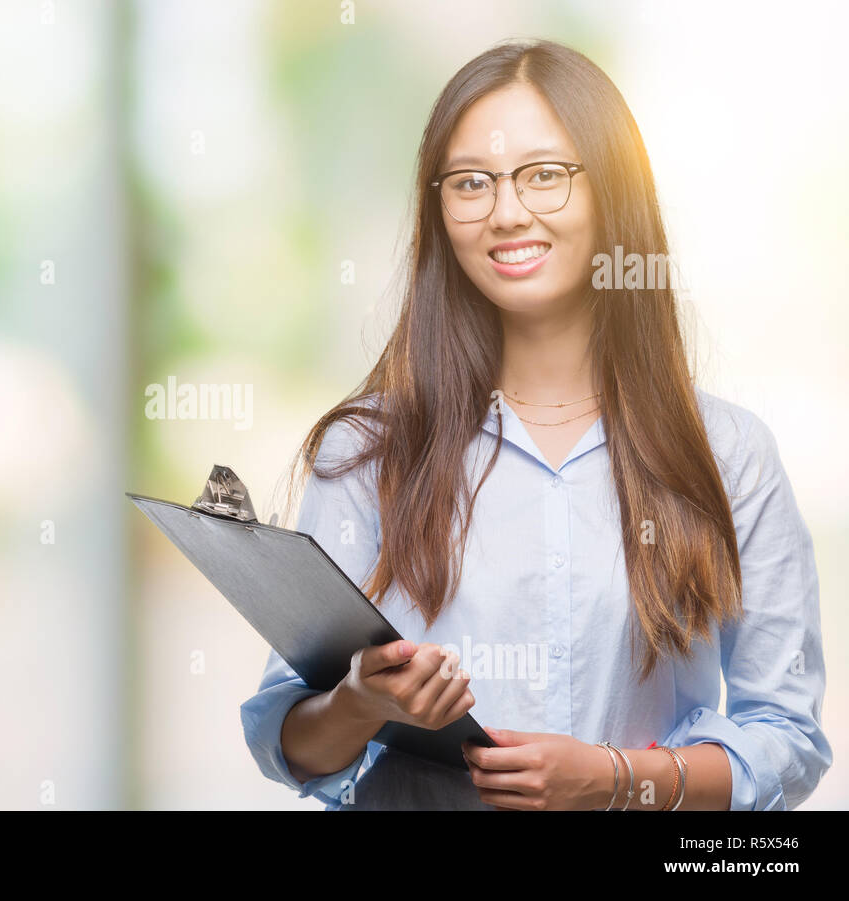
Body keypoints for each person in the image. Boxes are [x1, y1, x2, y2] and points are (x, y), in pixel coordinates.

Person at [240, 39, 831, 811]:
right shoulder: (366, 450)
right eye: (471, 182)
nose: (507, 211)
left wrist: (619, 780)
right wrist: (361, 702)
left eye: (545, 174)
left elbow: (786, 735)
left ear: (612, 191)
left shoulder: (728, 454)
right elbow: (287, 739)